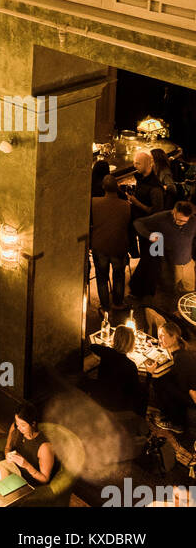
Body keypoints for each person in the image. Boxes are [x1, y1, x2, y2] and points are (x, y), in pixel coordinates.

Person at [133, 200, 196, 312]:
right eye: (177, 218)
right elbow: (138, 223)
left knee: (189, 294)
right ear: (174, 211)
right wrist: (149, 235)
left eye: (183, 221)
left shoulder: (193, 221)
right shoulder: (161, 218)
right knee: (167, 293)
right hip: (170, 265)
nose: (178, 222)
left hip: (188, 264)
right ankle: (167, 316)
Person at [91, 175, 132, 312]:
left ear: (103, 187)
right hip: (118, 246)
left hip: (100, 245)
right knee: (118, 276)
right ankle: (118, 303)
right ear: (117, 188)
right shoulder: (126, 206)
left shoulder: (94, 202)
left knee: (102, 277)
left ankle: (105, 307)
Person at [150, 319, 196, 433]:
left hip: (191, 396)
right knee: (163, 380)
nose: (159, 340)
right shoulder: (179, 351)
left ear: (174, 337)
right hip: (186, 390)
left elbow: (186, 388)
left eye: (162, 336)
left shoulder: (181, 358)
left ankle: (176, 424)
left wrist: (153, 374)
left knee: (160, 382)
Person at [96, 325, 147, 416]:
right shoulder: (131, 365)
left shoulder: (106, 353)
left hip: (101, 397)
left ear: (114, 339)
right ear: (131, 343)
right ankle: (139, 423)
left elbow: (93, 346)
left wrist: (107, 348)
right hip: (119, 407)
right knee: (143, 392)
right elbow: (136, 392)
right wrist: (149, 374)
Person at [5, 403, 57, 485]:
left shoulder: (44, 447)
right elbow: (7, 448)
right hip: (13, 470)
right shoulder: (15, 427)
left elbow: (44, 479)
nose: (19, 428)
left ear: (33, 424)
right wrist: (7, 455)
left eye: (23, 425)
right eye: (17, 423)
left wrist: (26, 465)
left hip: (28, 480)